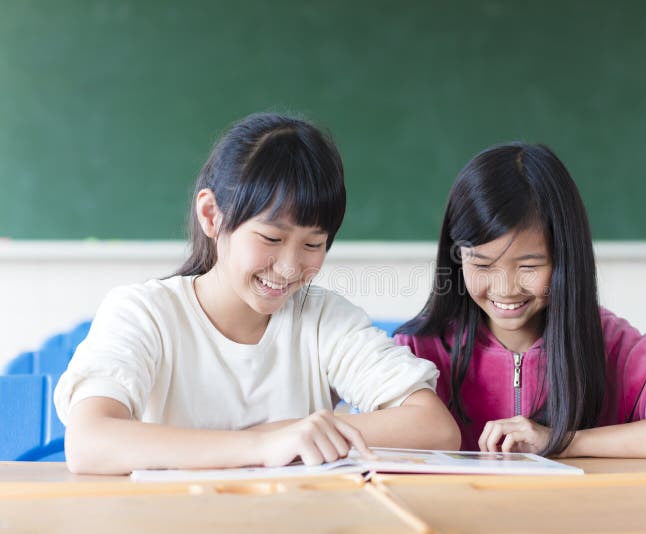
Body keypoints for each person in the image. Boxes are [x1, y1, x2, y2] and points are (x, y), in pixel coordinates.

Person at [55, 113, 460, 475]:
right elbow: (88, 443)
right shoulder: (145, 313)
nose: (288, 267)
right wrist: (263, 445)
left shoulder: (323, 320)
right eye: (271, 237)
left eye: (312, 245)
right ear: (212, 216)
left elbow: (435, 428)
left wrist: (289, 433)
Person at [395, 143, 646, 457]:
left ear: (564, 257)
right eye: (482, 264)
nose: (505, 288)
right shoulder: (419, 349)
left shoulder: (609, 345)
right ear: (457, 257)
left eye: (529, 266)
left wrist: (561, 440)